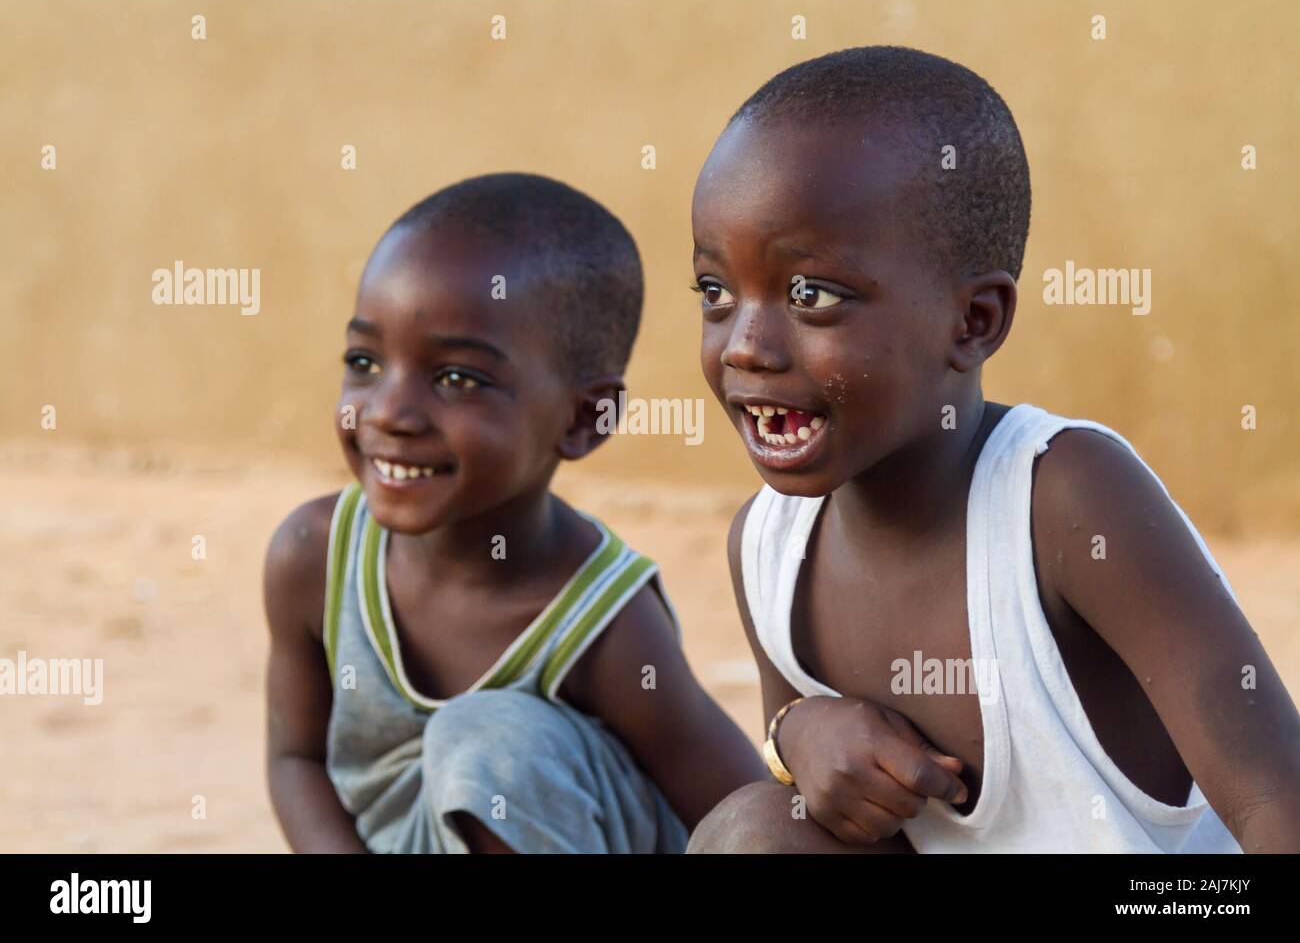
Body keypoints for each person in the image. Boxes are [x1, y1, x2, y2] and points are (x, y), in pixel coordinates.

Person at [686, 47, 1300, 853]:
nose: (746, 346)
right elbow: (804, 792)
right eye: (715, 293)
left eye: (813, 296)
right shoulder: (768, 546)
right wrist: (796, 732)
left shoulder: (1068, 502)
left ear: (974, 321)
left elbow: (1276, 803)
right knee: (755, 834)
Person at [264, 173, 764, 853]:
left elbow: (740, 809)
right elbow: (296, 759)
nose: (388, 412)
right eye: (365, 361)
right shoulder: (313, 556)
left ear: (586, 418)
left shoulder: (603, 625)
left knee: (486, 741)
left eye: (457, 379)